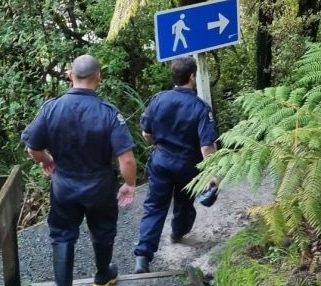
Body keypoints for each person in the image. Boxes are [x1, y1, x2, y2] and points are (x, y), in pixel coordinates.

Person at [21, 55, 137, 286]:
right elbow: (126, 158)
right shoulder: (109, 113)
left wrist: (47, 160)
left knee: (62, 235)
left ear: (70, 76)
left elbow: (32, 148)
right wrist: (130, 184)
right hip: (100, 186)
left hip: (64, 184)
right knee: (103, 231)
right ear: (98, 78)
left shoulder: (51, 109)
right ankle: (103, 275)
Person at [132, 56, 219, 274]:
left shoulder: (158, 99)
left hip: (161, 162)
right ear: (192, 76)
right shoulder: (200, 108)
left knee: (154, 207)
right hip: (187, 166)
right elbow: (206, 147)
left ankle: (143, 257)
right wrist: (212, 174)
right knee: (184, 204)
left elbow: (146, 133)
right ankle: (177, 232)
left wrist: (160, 145)